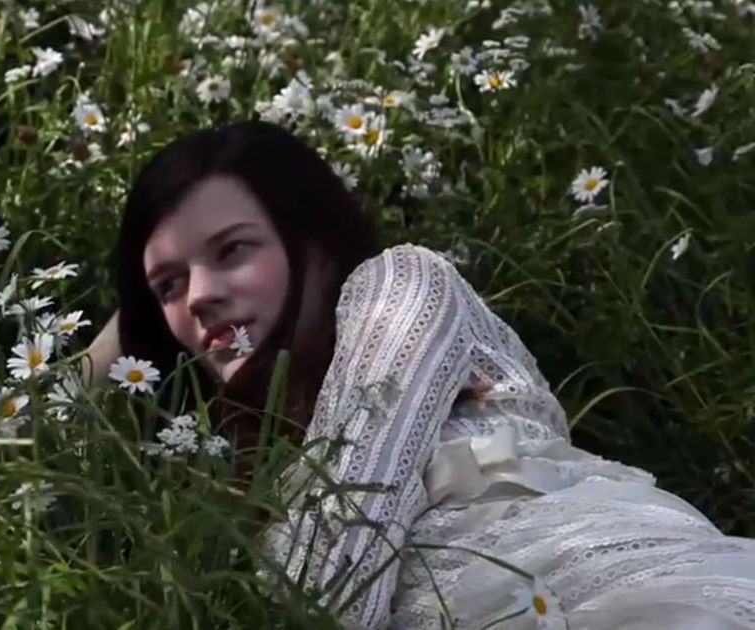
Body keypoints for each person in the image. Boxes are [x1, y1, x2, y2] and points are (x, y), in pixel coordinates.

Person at [82, 120, 755, 629]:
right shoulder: (237, 470)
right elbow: (24, 430)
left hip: (648, 599)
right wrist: (133, 322)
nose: (198, 296)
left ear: (313, 242)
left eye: (232, 249)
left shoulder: (400, 288)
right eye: (169, 285)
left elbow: (336, 583)